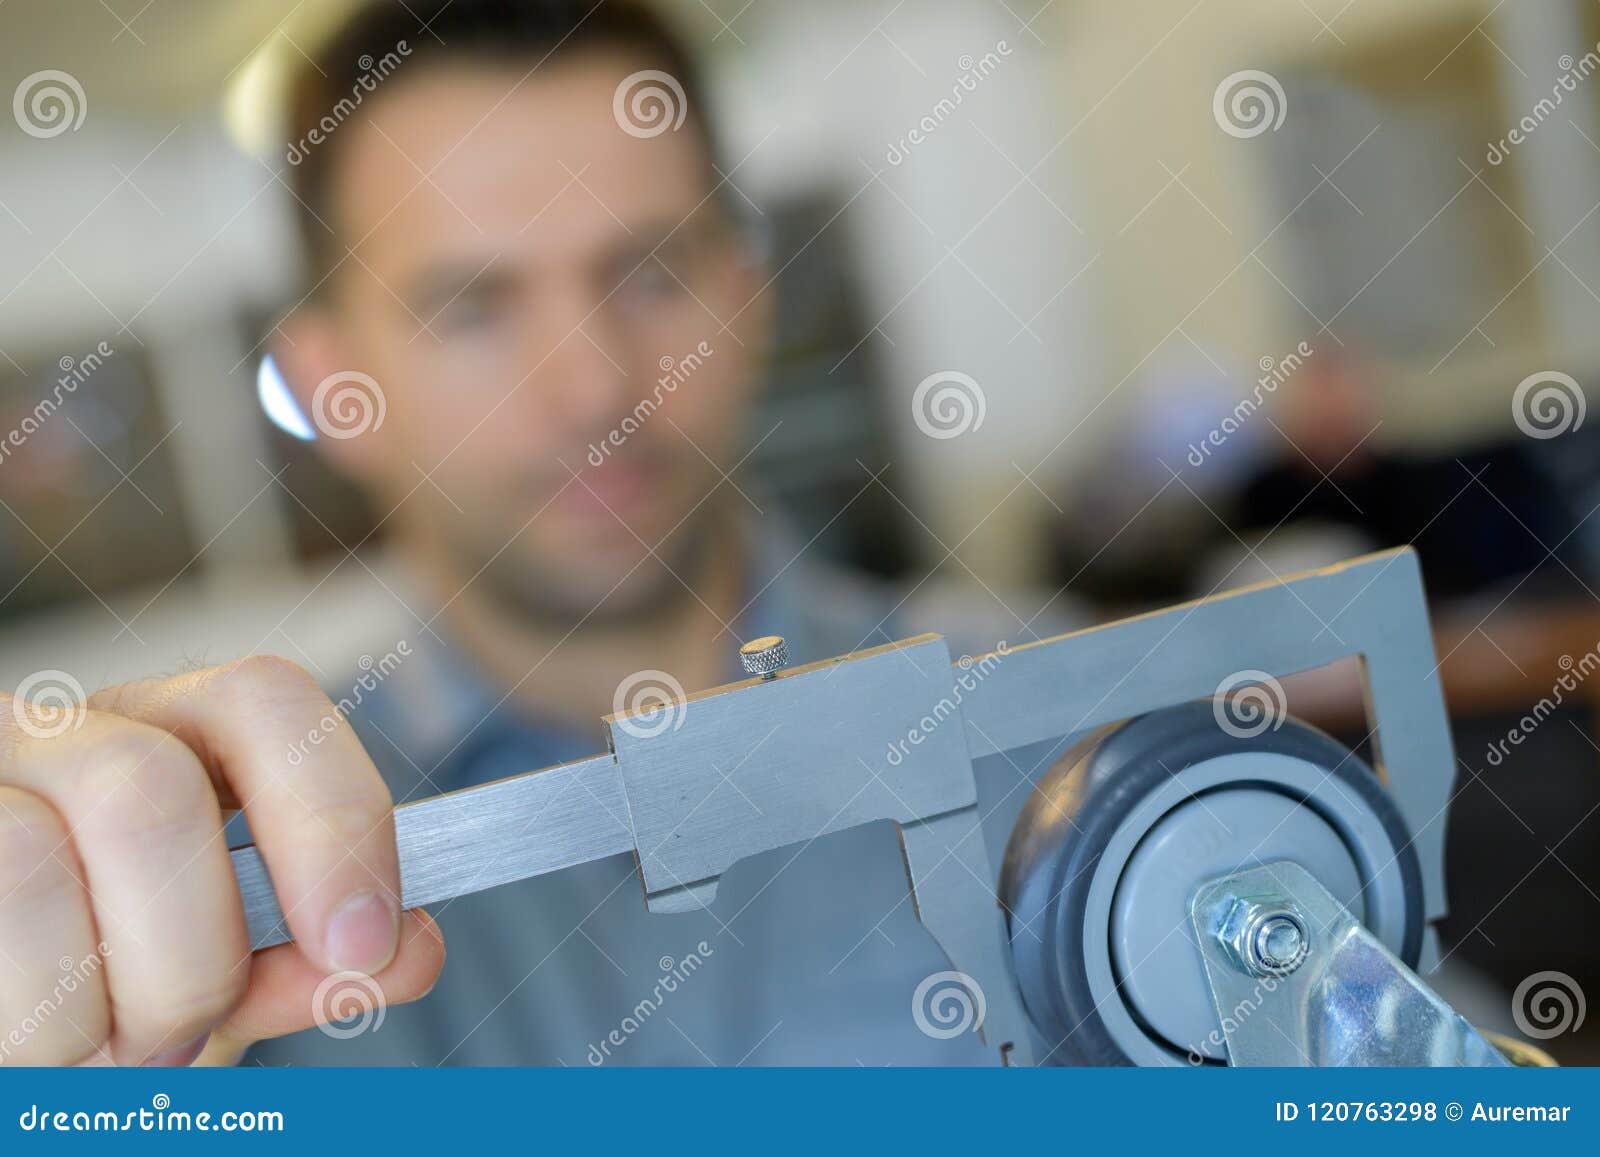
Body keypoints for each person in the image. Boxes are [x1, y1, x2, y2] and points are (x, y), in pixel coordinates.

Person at [0, 0, 1031, 1067]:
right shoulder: (207, 890)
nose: (593, 389)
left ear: (744, 297)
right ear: (329, 385)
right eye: (473, 307)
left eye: (651, 272)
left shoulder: (1074, 719)